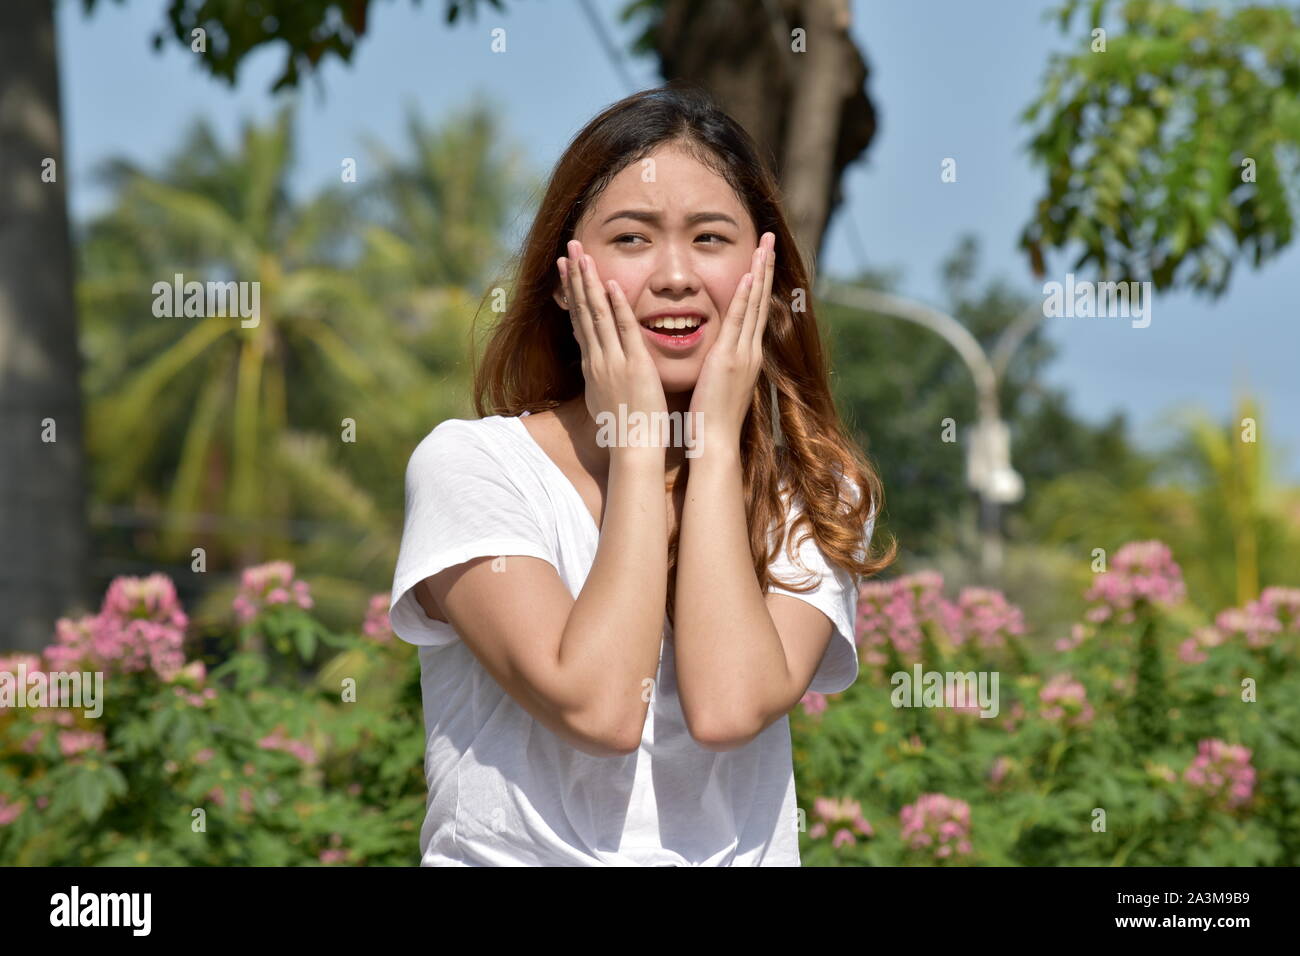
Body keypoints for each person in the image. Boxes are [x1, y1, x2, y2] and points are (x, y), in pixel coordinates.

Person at [388, 81, 895, 866]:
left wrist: (716, 449)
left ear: (765, 273)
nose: (675, 277)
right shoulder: (474, 466)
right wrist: (639, 445)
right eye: (631, 239)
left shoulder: (816, 492)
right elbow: (597, 707)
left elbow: (728, 706)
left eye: (711, 238)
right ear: (563, 278)